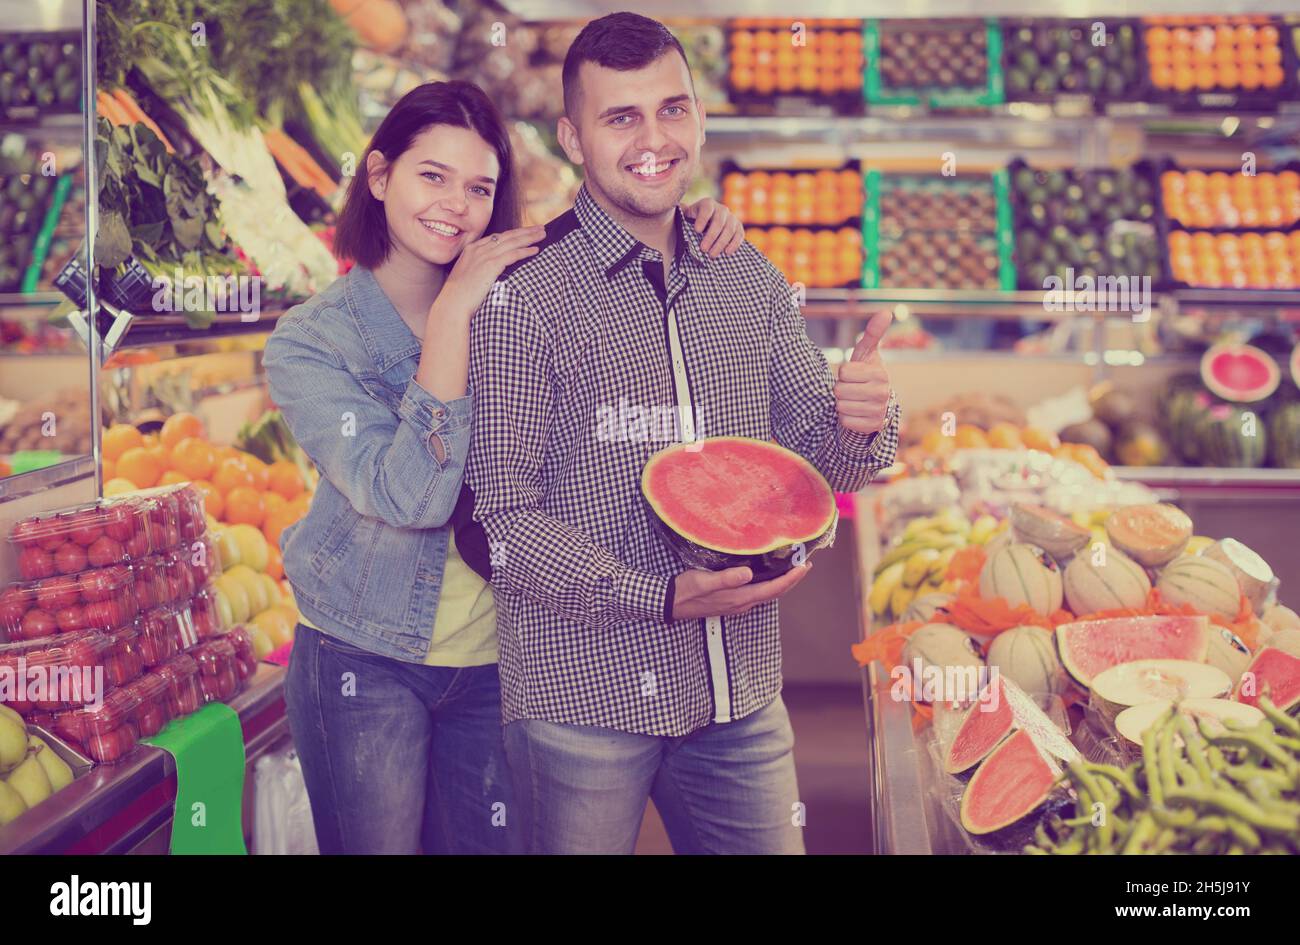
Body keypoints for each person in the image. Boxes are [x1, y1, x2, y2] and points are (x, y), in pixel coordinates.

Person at [261, 79, 746, 854]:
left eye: (480, 188)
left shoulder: (522, 299)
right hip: (363, 656)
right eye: (432, 176)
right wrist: (453, 310)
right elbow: (410, 495)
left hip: (502, 658)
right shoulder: (310, 342)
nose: (456, 204)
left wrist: (688, 225)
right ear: (380, 176)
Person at [465, 13, 901, 855]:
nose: (653, 139)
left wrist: (865, 417)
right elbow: (502, 521)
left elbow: (819, 454)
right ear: (572, 137)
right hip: (578, 699)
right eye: (620, 117)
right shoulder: (525, 298)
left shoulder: (746, 276)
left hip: (735, 697)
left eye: (672, 110)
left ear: (699, 119)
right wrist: (654, 595)